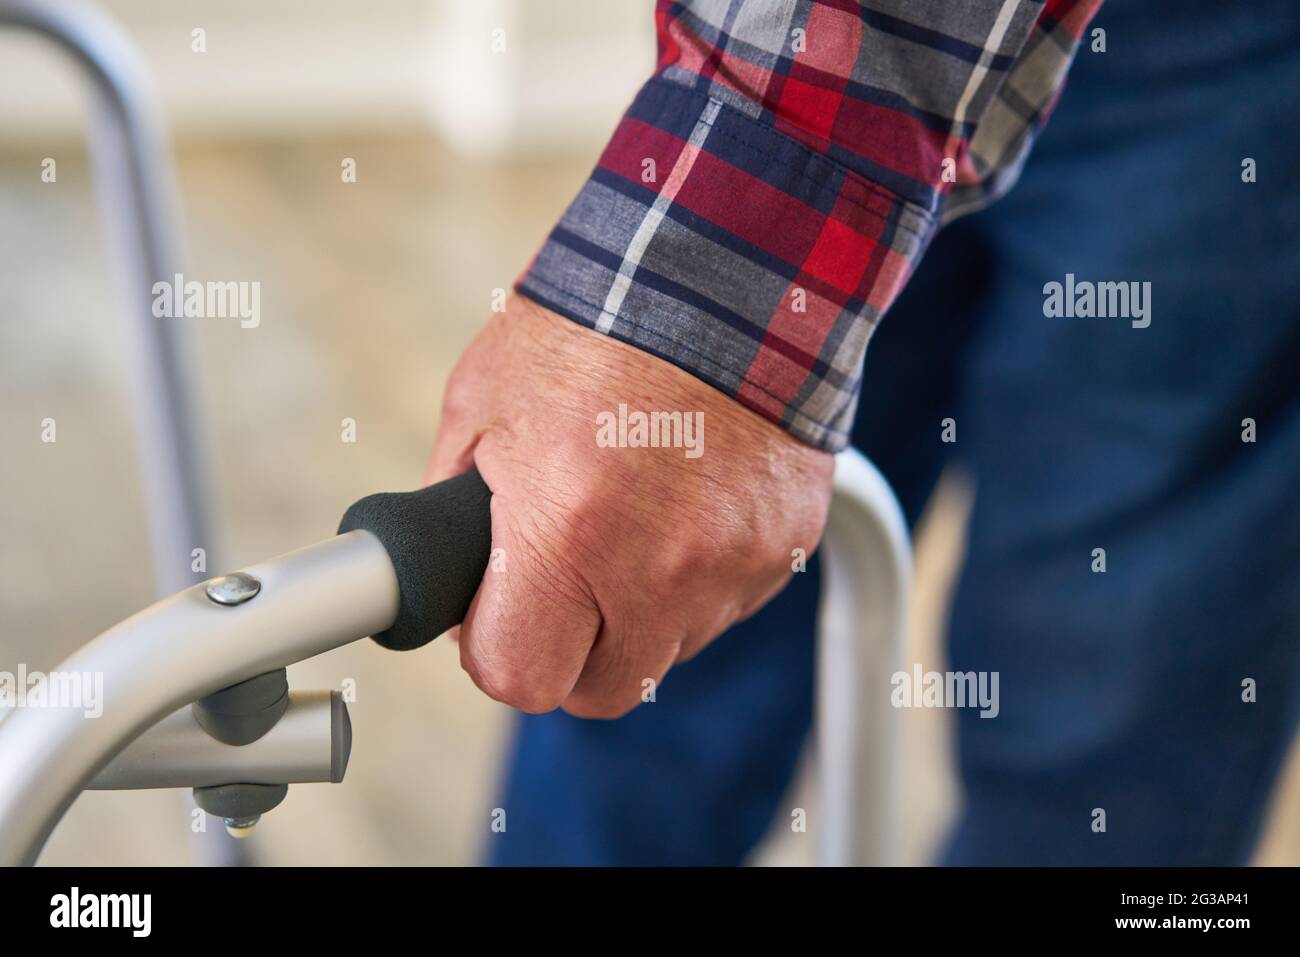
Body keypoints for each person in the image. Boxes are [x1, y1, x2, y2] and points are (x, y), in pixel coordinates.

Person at [427, 0, 1300, 864]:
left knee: (1112, 712)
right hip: (817, 39)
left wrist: (696, 284)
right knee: (651, 660)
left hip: (1215, 57)